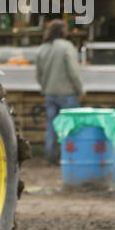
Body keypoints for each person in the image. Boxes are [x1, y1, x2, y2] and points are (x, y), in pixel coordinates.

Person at [35, 19, 85, 164]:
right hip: (67, 93)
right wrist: (79, 89)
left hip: (49, 93)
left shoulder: (42, 48)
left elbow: (39, 74)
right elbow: (73, 71)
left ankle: (50, 155)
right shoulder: (66, 47)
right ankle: (69, 155)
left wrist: (45, 87)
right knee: (70, 125)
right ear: (63, 32)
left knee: (51, 125)